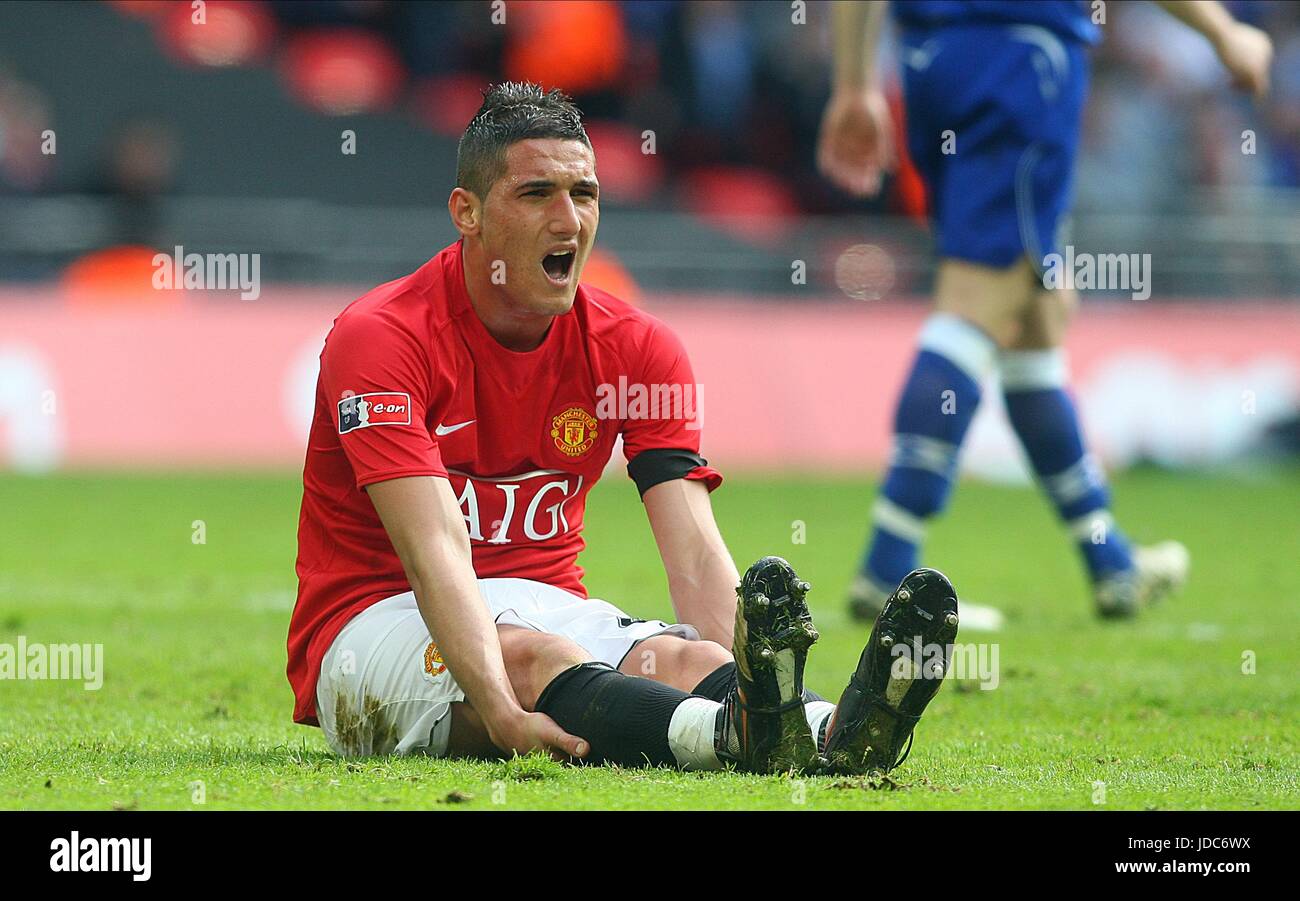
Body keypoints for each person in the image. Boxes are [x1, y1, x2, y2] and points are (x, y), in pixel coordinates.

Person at [287, 82, 959, 774]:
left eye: (584, 193)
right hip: (372, 626)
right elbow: (434, 548)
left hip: (546, 607)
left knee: (682, 657)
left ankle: (833, 727)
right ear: (468, 213)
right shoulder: (382, 338)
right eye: (536, 193)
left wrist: (748, 667)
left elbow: (694, 555)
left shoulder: (636, 346)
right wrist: (499, 710)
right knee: (533, 656)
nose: (569, 220)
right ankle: (737, 737)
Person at [817, 0, 1271, 622]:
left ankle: (1110, 560)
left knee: (1034, 311)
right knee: (978, 297)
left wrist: (854, 83)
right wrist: (1224, 32)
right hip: (1022, 61)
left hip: (931, 64)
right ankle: (888, 565)